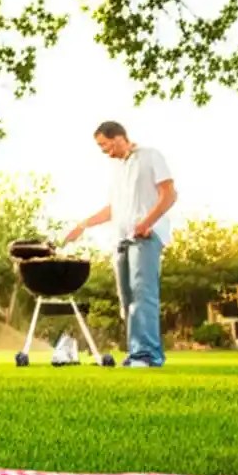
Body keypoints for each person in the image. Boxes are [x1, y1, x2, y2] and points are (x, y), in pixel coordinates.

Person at [63, 120, 178, 367]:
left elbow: (169, 194)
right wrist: (83, 225)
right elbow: (113, 209)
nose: (104, 151)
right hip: (122, 240)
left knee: (142, 295)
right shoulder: (117, 170)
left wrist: (147, 223)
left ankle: (148, 355)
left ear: (118, 137)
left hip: (145, 237)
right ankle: (136, 353)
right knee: (127, 300)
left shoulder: (150, 156)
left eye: (104, 145)